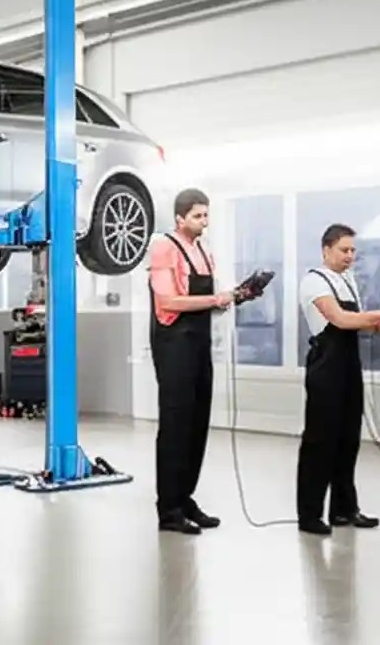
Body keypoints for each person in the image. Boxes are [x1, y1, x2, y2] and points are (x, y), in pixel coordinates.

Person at [296, 223, 380, 535]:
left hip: (348, 364)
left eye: (353, 250)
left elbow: (354, 322)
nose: (350, 256)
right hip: (325, 367)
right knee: (320, 441)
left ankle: (344, 509)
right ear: (326, 250)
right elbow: (339, 319)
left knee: (348, 439)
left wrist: (376, 324)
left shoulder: (348, 281)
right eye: (344, 250)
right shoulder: (313, 281)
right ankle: (310, 515)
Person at [148, 188, 232, 535]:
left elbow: (204, 298)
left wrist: (227, 299)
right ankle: (168, 509)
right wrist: (214, 298)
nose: (204, 221)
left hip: (199, 342)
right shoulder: (163, 246)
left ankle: (185, 498)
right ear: (180, 218)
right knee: (176, 424)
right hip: (174, 344)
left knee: (198, 421)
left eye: (207, 215)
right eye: (198, 215)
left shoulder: (203, 250)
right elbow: (167, 301)